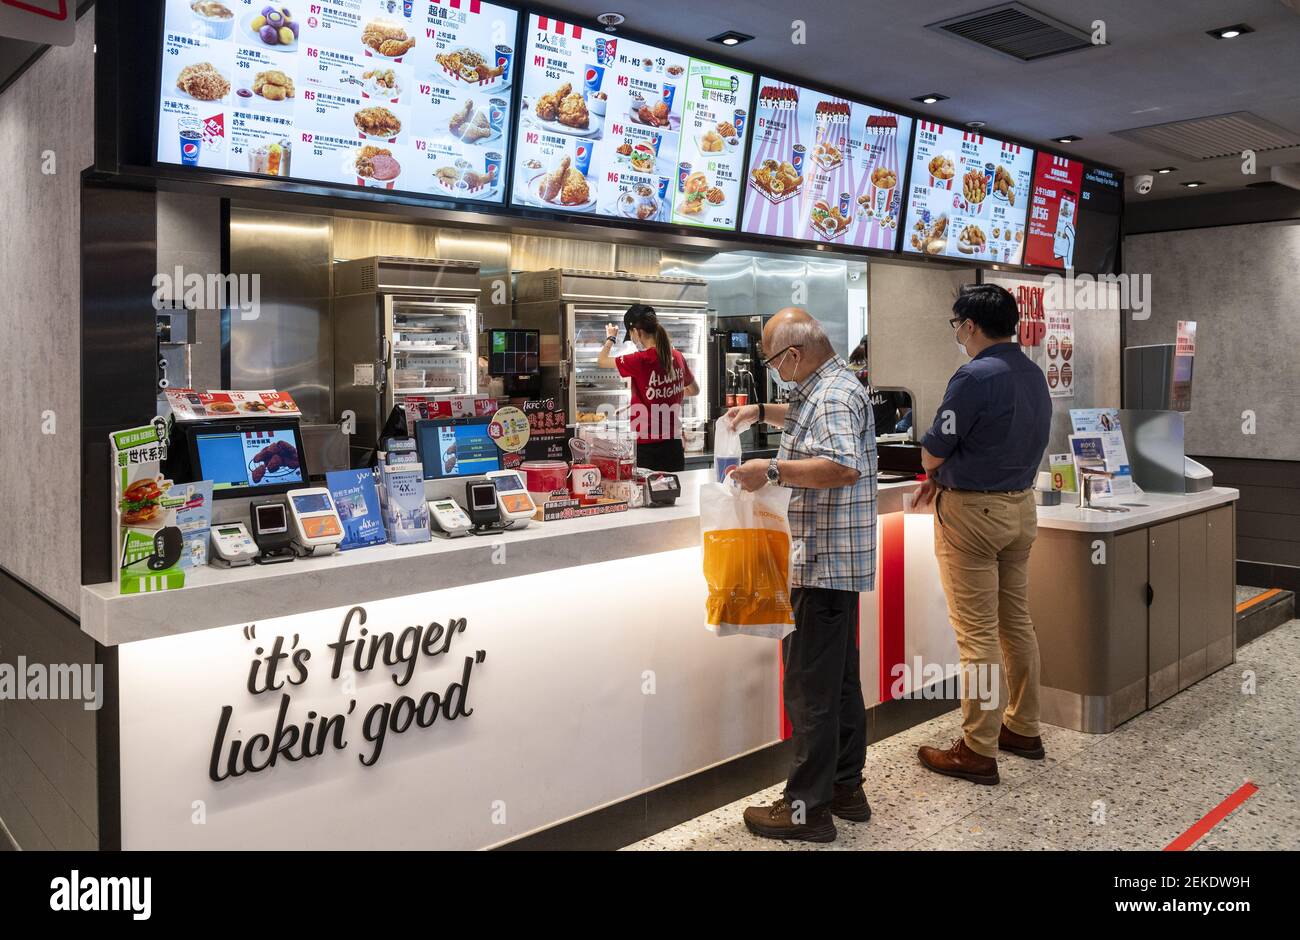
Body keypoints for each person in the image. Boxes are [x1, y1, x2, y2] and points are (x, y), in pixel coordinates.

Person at [726, 308, 877, 844]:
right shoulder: (832, 385)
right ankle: (844, 788)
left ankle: (806, 810)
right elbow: (805, 415)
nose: (772, 369)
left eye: (772, 360)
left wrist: (768, 469)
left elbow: (840, 464)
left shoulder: (832, 394)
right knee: (836, 685)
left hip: (821, 560)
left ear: (794, 353)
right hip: (834, 560)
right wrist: (760, 414)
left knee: (811, 689)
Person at [912, 284, 1052, 785]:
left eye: (957, 326)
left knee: (977, 636)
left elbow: (933, 451)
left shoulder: (973, 376)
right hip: (1021, 509)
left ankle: (977, 747)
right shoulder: (1033, 374)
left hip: (972, 516)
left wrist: (936, 472)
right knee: (1016, 622)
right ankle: (1024, 727)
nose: (958, 335)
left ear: (969, 325)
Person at [597, 303, 699, 472]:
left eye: (631, 335)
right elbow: (694, 390)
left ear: (637, 332)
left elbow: (601, 361)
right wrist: (665, 394)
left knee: (646, 498)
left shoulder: (640, 359)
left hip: (647, 448)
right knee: (671, 497)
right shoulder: (677, 356)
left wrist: (611, 338)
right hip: (674, 447)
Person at [848, 335, 912, 436]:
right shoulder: (888, 378)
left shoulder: (853, 378)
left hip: (859, 440)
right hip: (885, 441)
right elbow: (904, 411)